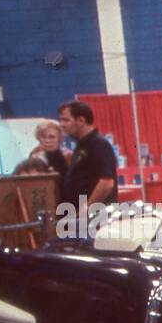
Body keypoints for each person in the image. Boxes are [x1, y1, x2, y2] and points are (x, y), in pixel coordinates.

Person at [58, 100, 117, 245]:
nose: (62, 124)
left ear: (81, 120)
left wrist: (84, 211)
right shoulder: (82, 145)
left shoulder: (98, 144)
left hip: (91, 221)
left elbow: (107, 183)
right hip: (80, 220)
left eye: (65, 120)